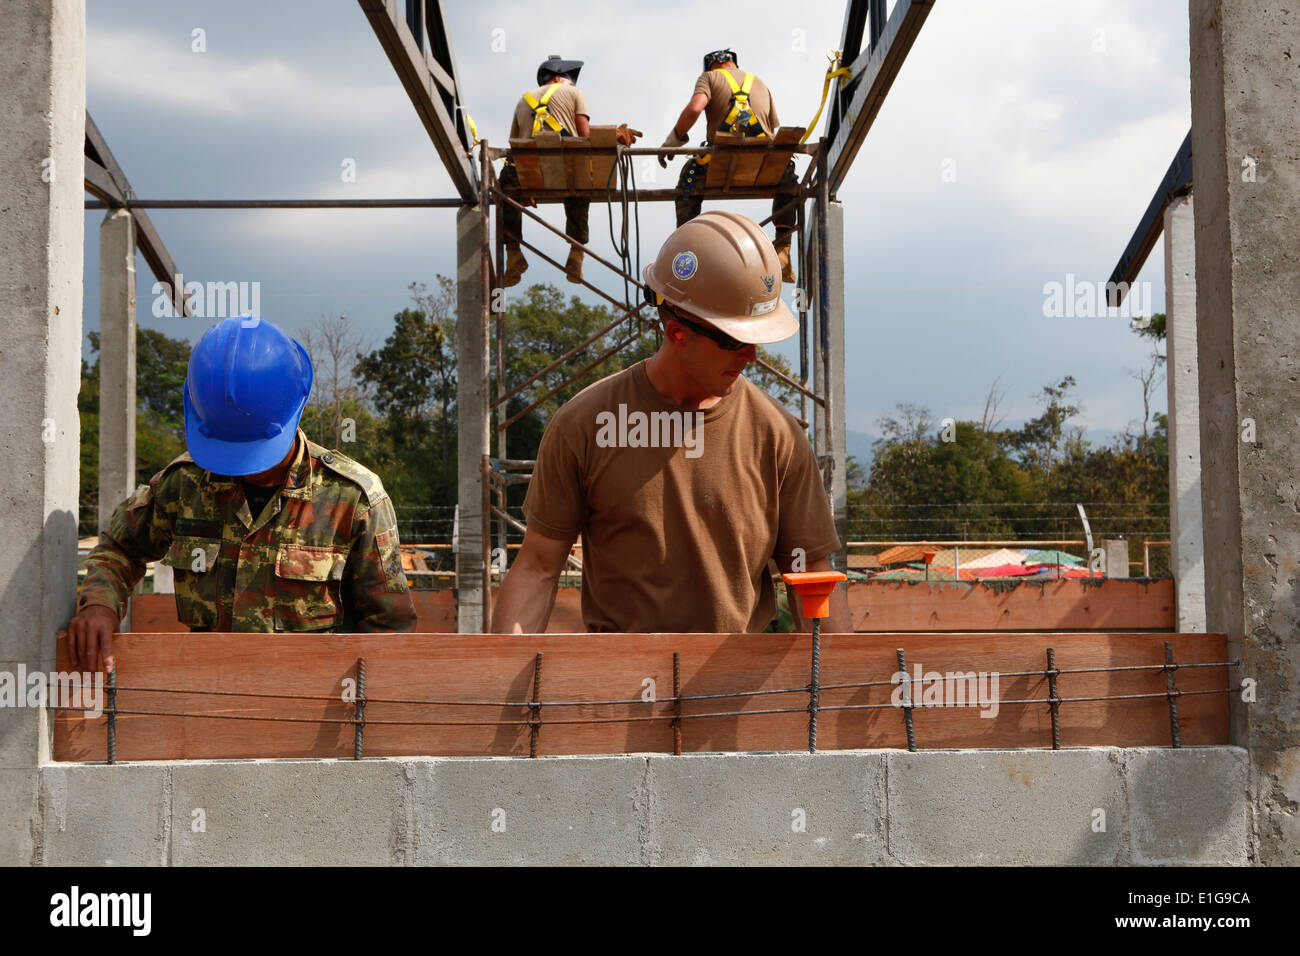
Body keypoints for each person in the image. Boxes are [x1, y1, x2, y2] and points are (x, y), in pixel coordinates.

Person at [490, 211, 850, 634]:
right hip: (619, 691)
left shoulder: (778, 436)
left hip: (739, 692)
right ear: (678, 332)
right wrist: (502, 683)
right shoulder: (585, 425)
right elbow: (537, 566)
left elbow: (812, 575)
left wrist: (836, 688)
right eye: (735, 340)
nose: (752, 356)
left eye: (757, 339)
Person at [67, 316, 417, 673]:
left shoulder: (354, 500)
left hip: (315, 712)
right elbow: (119, 547)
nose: (241, 466)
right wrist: (99, 604)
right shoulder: (184, 484)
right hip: (210, 704)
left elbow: (389, 629)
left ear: (299, 414)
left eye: (254, 450)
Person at [659, 49, 800, 283]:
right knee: (788, 182)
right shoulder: (760, 83)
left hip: (720, 161)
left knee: (689, 177)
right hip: (764, 164)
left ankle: (684, 250)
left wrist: (674, 139)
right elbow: (772, 133)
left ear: (711, 66)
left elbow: (695, 109)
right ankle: (783, 249)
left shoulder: (709, 78)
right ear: (734, 64)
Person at [501, 54, 640, 287]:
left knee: (505, 184)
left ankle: (513, 252)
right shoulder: (574, 93)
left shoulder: (522, 100)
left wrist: (524, 185)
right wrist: (612, 135)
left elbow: (514, 144)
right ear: (558, 78)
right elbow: (585, 135)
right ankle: (577, 252)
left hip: (530, 174)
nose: (573, 84)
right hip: (566, 171)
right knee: (580, 179)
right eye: (570, 79)